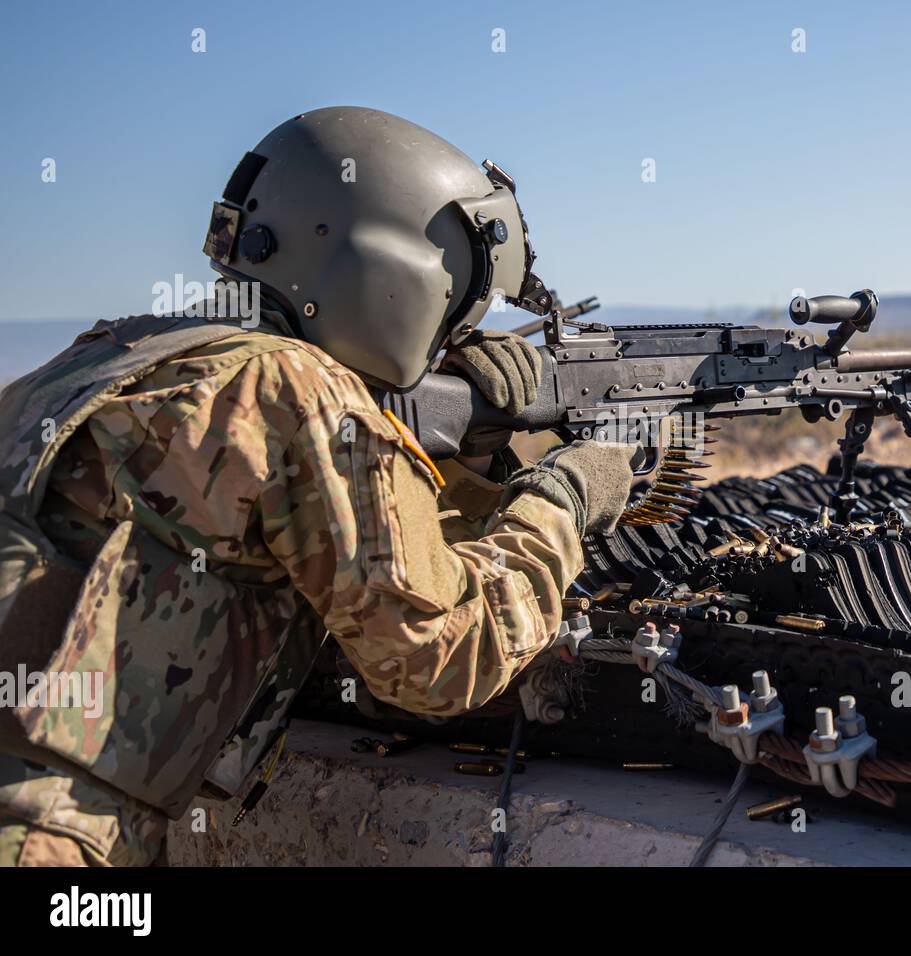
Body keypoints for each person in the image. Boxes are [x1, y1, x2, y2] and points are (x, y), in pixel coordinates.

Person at [0, 106, 635, 866]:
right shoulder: (298, 391)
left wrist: (469, 460)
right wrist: (563, 499)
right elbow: (440, 658)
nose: (454, 338)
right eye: (455, 313)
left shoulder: (101, 360)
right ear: (392, 272)